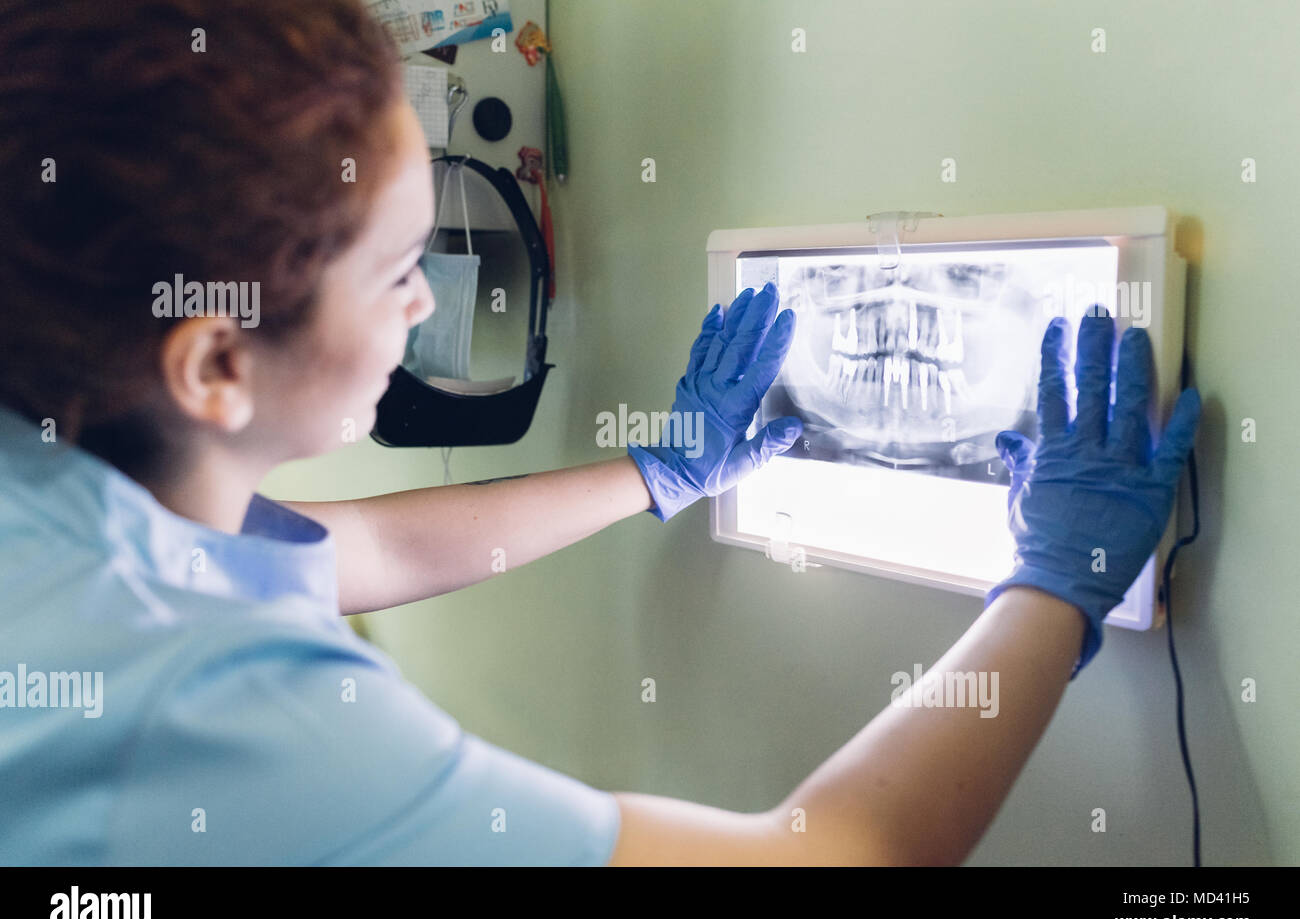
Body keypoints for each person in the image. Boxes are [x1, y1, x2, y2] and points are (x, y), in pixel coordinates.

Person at [0, 0, 1200, 865]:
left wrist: (657, 468)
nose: (426, 306)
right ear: (213, 360)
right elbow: (835, 856)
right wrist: (1050, 591)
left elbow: (356, 551)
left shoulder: (52, 474)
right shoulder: (224, 714)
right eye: (399, 269)